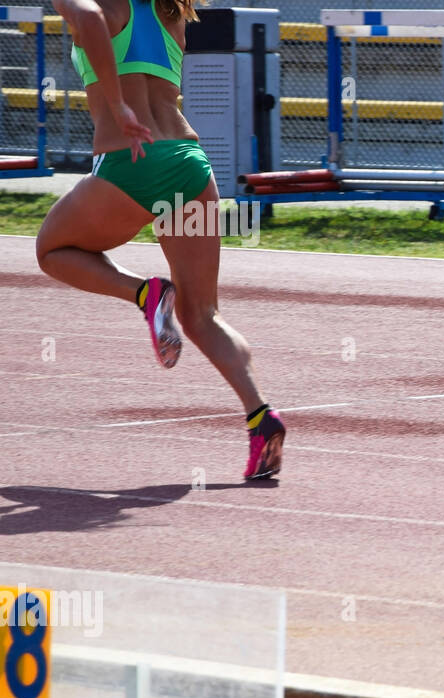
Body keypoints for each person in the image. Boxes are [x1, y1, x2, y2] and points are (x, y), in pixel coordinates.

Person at [37, 0, 284, 480]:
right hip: (189, 162)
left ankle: (144, 292)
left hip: (130, 162)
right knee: (203, 316)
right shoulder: (173, 10)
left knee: (51, 250)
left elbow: (87, 20)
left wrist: (117, 105)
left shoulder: (103, 6)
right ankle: (260, 414)